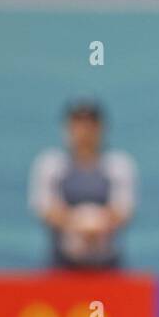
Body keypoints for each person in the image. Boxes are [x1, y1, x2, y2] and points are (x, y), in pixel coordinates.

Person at [30, 101, 136, 270]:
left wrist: (97, 224)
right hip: (61, 266)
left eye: (91, 124)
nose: (85, 131)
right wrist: (80, 223)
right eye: (78, 124)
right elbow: (45, 210)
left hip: (108, 267)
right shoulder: (50, 164)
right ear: (68, 128)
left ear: (101, 128)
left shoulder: (118, 164)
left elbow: (123, 211)